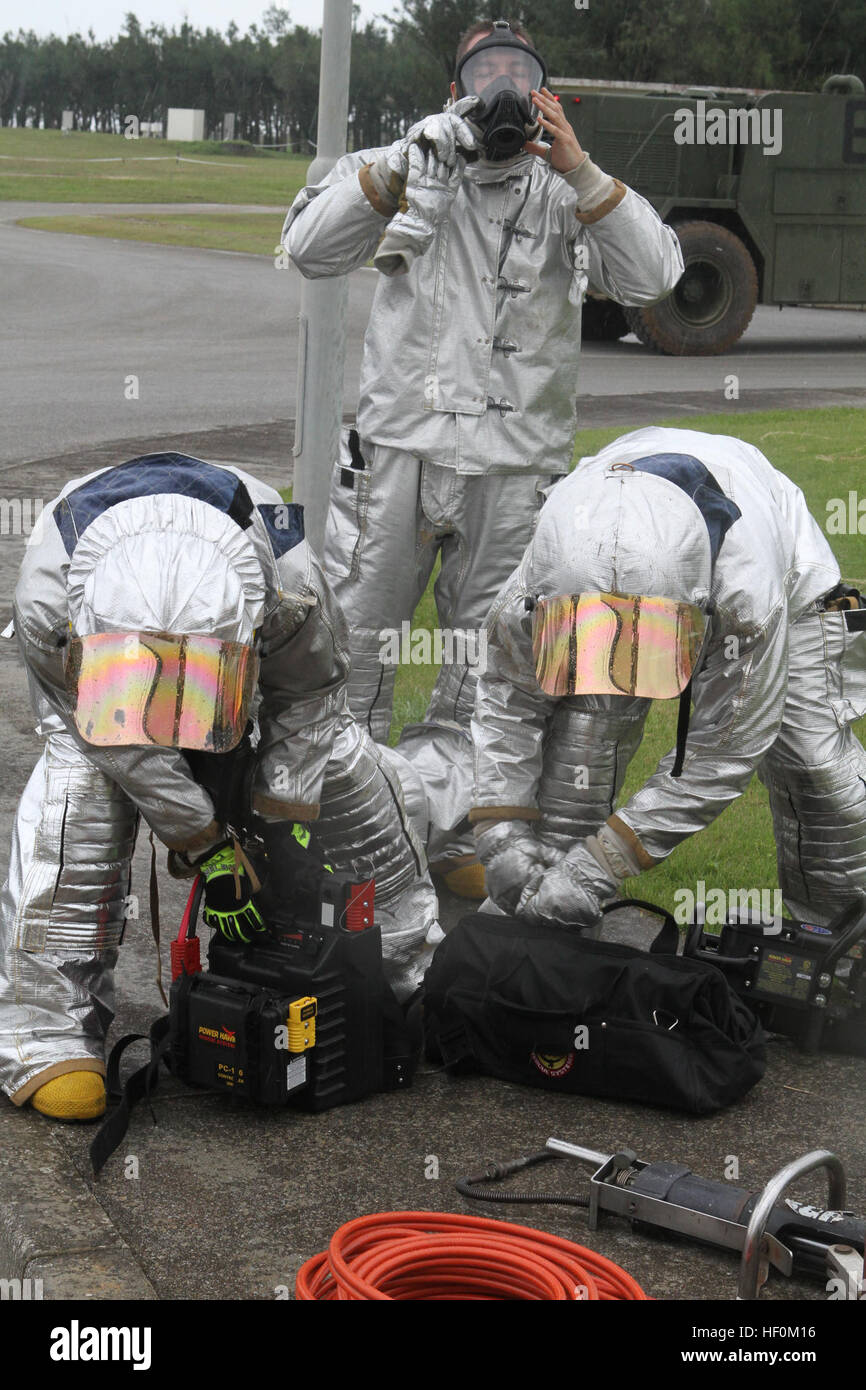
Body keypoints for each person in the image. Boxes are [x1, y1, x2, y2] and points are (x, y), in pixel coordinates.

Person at [282, 19, 684, 895]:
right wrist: (391, 169)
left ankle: (453, 835)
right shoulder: (412, 163)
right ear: (454, 87)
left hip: (515, 468)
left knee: (483, 672)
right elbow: (309, 251)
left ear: (546, 93)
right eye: (483, 72)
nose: (500, 86)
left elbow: (655, 280)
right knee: (353, 653)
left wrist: (580, 169)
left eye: (519, 72)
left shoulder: (562, 191)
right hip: (398, 454)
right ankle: (344, 834)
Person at [0, 451, 441, 1121]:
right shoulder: (49, 606)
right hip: (102, 712)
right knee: (81, 793)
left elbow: (311, 696)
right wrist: (206, 842)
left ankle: (405, 974)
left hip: (250, 659)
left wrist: (284, 814)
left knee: (347, 774)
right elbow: (114, 739)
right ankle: (46, 1032)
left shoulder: (293, 587)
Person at [470, 426, 866, 928]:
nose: (627, 662)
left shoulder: (751, 597)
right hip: (621, 550)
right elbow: (509, 700)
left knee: (815, 771)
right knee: (584, 736)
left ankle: (838, 945)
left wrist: (601, 864)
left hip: (788, 578)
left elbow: (723, 751)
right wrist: (501, 829)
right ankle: (544, 917)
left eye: (643, 639)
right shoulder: (543, 579)